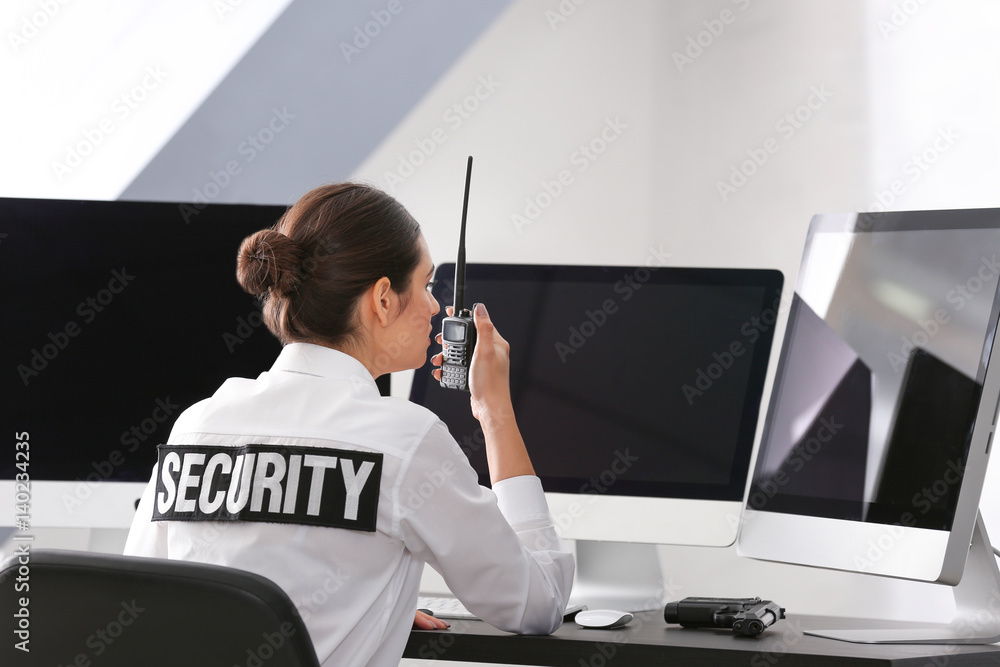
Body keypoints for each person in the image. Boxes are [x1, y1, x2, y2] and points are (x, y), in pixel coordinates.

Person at [124, 182, 574, 666]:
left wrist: (366, 602)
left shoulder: (197, 425)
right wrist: (494, 409)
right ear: (382, 299)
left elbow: (142, 599)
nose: (434, 307)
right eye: (425, 285)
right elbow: (538, 602)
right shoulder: (406, 440)